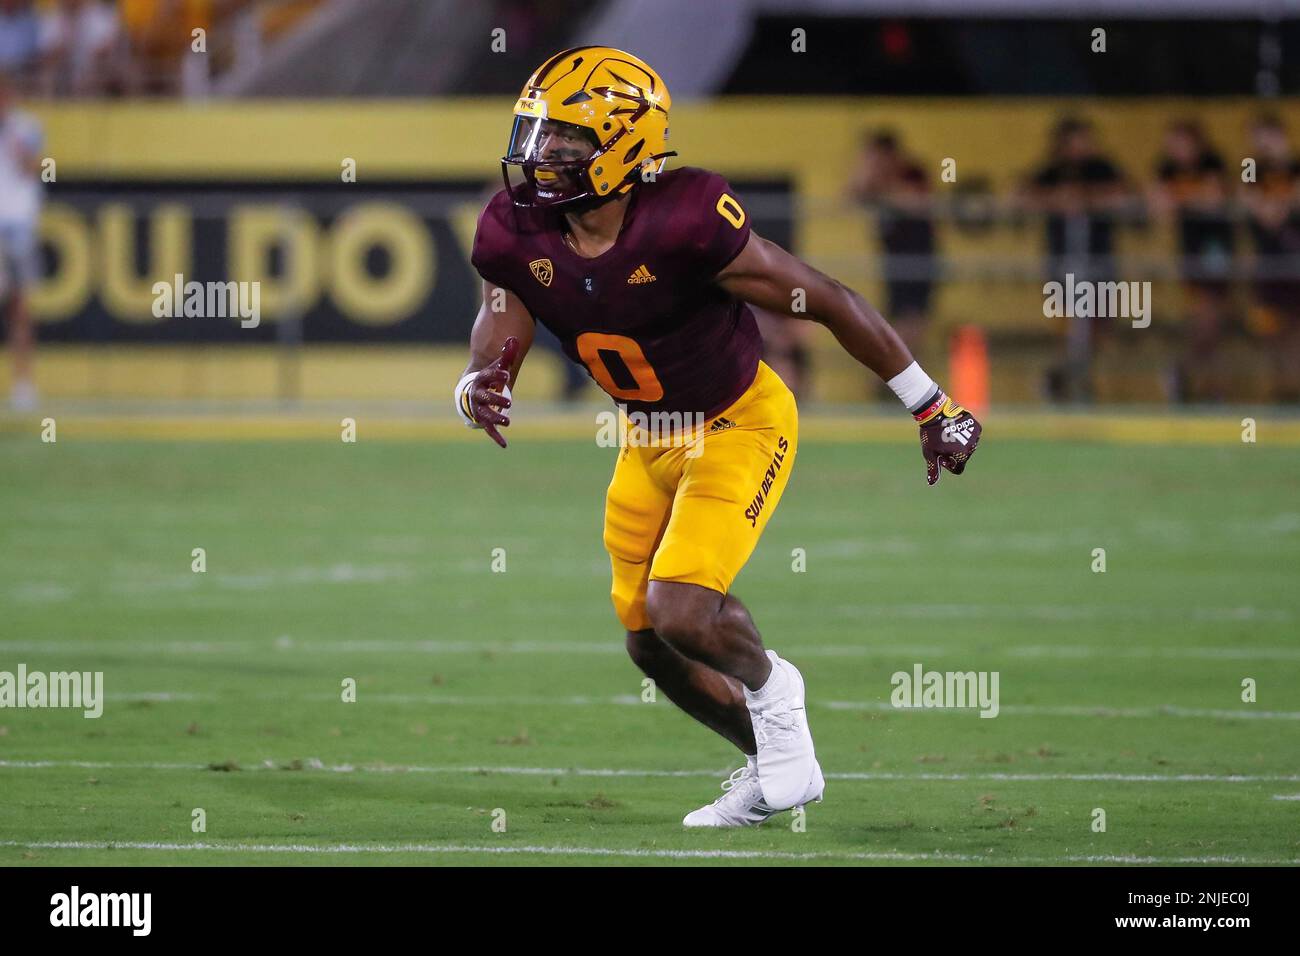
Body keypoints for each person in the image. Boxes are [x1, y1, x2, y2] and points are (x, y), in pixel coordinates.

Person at [456, 47, 982, 827]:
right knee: (649, 644)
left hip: (739, 421)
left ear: (627, 146)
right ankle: (768, 763)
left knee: (682, 610)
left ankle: (777, 691)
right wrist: (478, 380)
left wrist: (932, 405)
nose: (540, 158)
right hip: (647, 436)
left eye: (564, 142)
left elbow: (828, 300)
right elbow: (504, 312)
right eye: (535, 136)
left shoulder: (686, 221)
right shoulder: (516, 227)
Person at [1021, 117, 1128, 402]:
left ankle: (1072, 376)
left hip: (1099, 260)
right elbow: (1021, 196)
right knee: (1068, 325)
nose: (1084, 146)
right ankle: (1069, 382)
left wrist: (1087, 199)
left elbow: (1123, 196)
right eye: (1078, 140)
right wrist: (1057, 199)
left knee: (1099, 327)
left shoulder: (1102, 168)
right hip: (1063, 263)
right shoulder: (1053, 171)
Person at [1151, 120, 1236, 402]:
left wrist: (1182, 198)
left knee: (1213, 319)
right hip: (1190, 252)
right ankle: (1197, 379)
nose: (1174, 149)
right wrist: (1190, 197)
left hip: (1218, 248)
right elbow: (1160, 208)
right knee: (1204, 316)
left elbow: (1215, 198)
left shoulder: (1212, 162)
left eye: (1180, 142)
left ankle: (1196, 378)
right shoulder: (1166, 168)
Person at [847, 131, 936, 376]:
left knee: (912, 321)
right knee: (892, 319)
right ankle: (896, 379)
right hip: (892, 262)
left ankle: (908, 379)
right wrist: (865, 173)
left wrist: (881, 185)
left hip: (917, 259)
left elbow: (916, 202)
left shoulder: (912, 173)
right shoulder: (875, 183)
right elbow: (849, 196)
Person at [1242, 114, 1300, 402]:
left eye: (1268, 136)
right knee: (1270, 330)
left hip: (1295, 261)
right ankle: (1281, 391)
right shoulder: (1250, 167)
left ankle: (1292, 391)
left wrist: (1277, 201)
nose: (1262, 144)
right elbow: (1260, 211)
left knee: (1295, 329)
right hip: (1268, 261)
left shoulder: (1295, 165)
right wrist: (1283, 201)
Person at [0, 69, 42, 410]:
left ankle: (23, 383)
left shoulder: (25, 127)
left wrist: (21, 152)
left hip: (17, 222)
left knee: (20, 306)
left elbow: (38, 169)